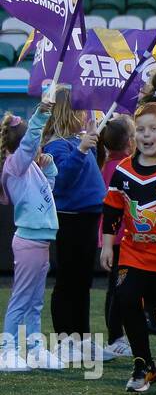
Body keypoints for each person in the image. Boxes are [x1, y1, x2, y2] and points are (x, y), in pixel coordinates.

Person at [100, 103, 156, 395]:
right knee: (126, 299)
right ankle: (143, 364)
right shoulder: (123, 170)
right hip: (133, 253)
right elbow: (112, 209)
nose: (147, 135)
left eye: (154, 129)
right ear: (133, 136)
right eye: (141, 130)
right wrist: (106, 245)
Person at [42, 86, 105, 356]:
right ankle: (66, 341)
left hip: (89, 217)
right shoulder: (56, 145)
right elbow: (62, 182)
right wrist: (80, 150)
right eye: (81, 109)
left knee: (82, 282)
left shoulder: (80, 141)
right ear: (69, 112)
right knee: (68, 281)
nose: (86, 114)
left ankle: (82, 339)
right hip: (70, 220)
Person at [0, 101, 59, 371]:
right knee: (22, 298)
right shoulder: (15, 165)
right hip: (29, 242)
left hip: (40, 242)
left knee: (35, 301)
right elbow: (30, 141)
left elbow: (47, 193)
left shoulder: (30, 167)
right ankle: (6, 349)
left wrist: (49, 170)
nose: (37, 145)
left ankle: (35, 349)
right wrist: (40, 115)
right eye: (32, 140)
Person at [97, 116, 135, 357]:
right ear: (129, 142)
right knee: (118, 289)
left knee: (116, 288)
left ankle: (118, 335)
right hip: (119, 238)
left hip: (114, 238)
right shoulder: (121, 168)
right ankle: (115, 337)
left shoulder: (105, 164)